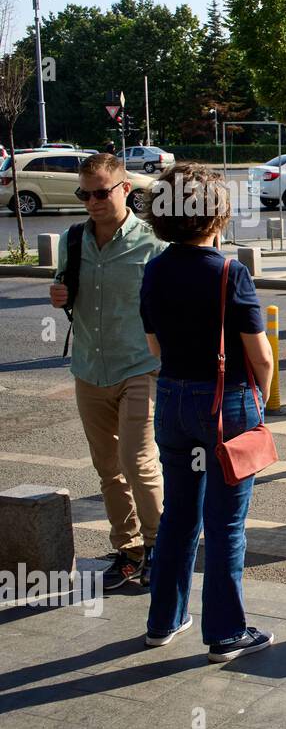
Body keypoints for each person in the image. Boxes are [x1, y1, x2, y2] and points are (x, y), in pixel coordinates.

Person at [138, 163, 275, 660]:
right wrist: (259, 400)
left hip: (172, 398)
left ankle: (163, 621)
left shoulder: (154, 269)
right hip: (226, 402)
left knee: (178, 516)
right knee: (226, 525)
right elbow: (259, 354)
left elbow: (153, 345)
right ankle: (225, 632)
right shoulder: (228, 272)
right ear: (215, 215)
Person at [50, 153, 165, 591]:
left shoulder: (152, 244)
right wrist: (59, 293)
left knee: (138, 462)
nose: (93, 201)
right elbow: (66, 287)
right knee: (107, 468)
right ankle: (129, 550)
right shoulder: (73, 239)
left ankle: (158, 548)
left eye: (102, 192)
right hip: (89, 367)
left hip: (139, 366)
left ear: (124, 191)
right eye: (86, 193)